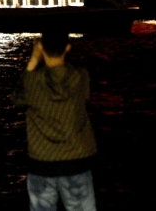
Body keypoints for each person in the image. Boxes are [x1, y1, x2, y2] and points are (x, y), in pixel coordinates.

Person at [12, 31, 97, 211]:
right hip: (76, 160)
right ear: (67, 47)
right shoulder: (81, 77)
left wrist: (34, 59)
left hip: (41, 162)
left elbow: (16, 98)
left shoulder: (32, 82)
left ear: (41, 47)